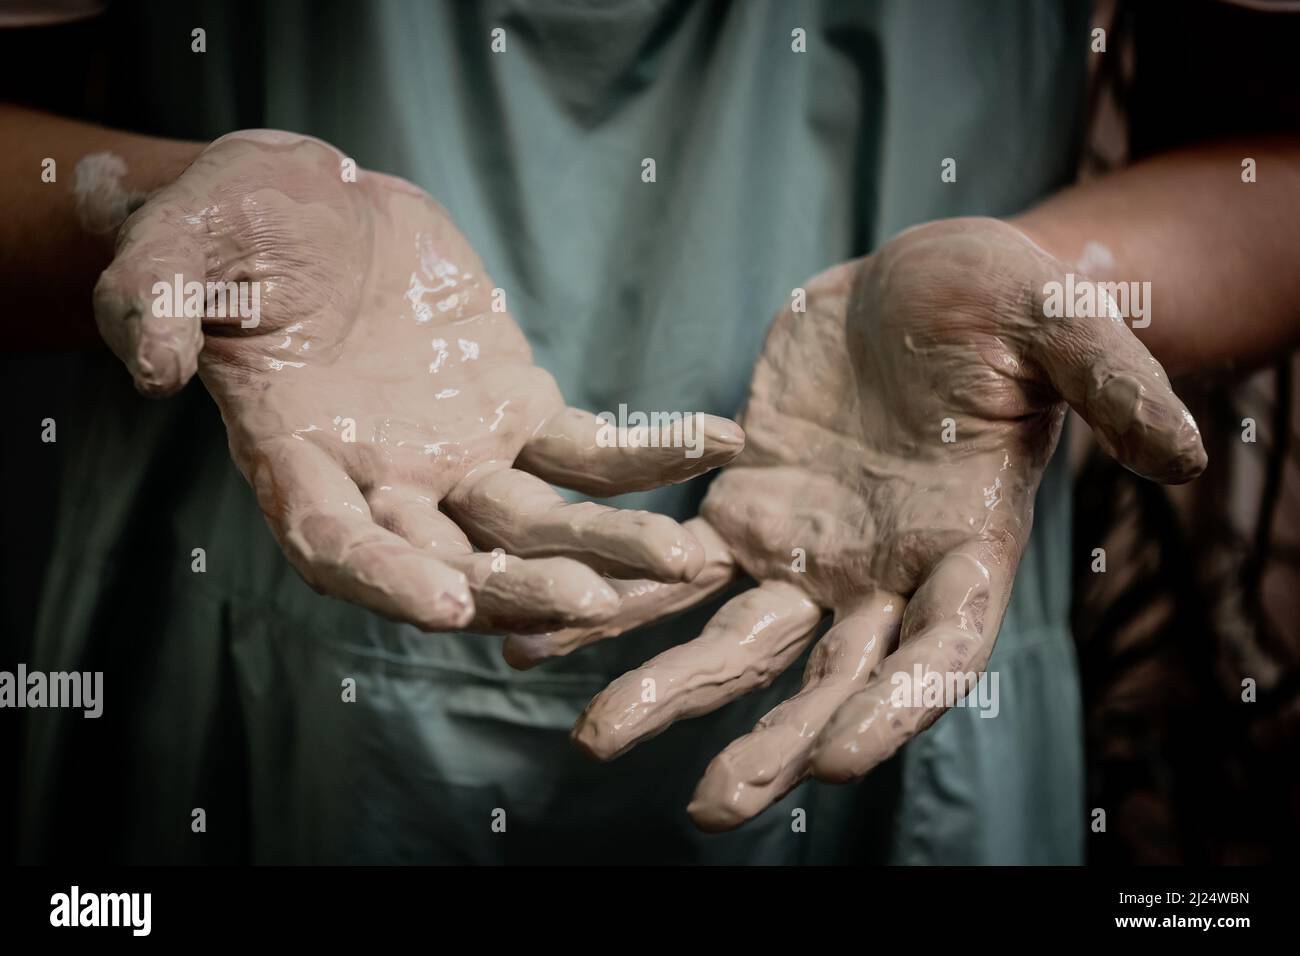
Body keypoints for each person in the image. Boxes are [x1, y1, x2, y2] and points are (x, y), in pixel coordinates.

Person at [3, 0, 1297, 864]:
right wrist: (173, 223)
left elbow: (1268, 154)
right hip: (264, 610)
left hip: (894, 577)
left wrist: (1046, 290)